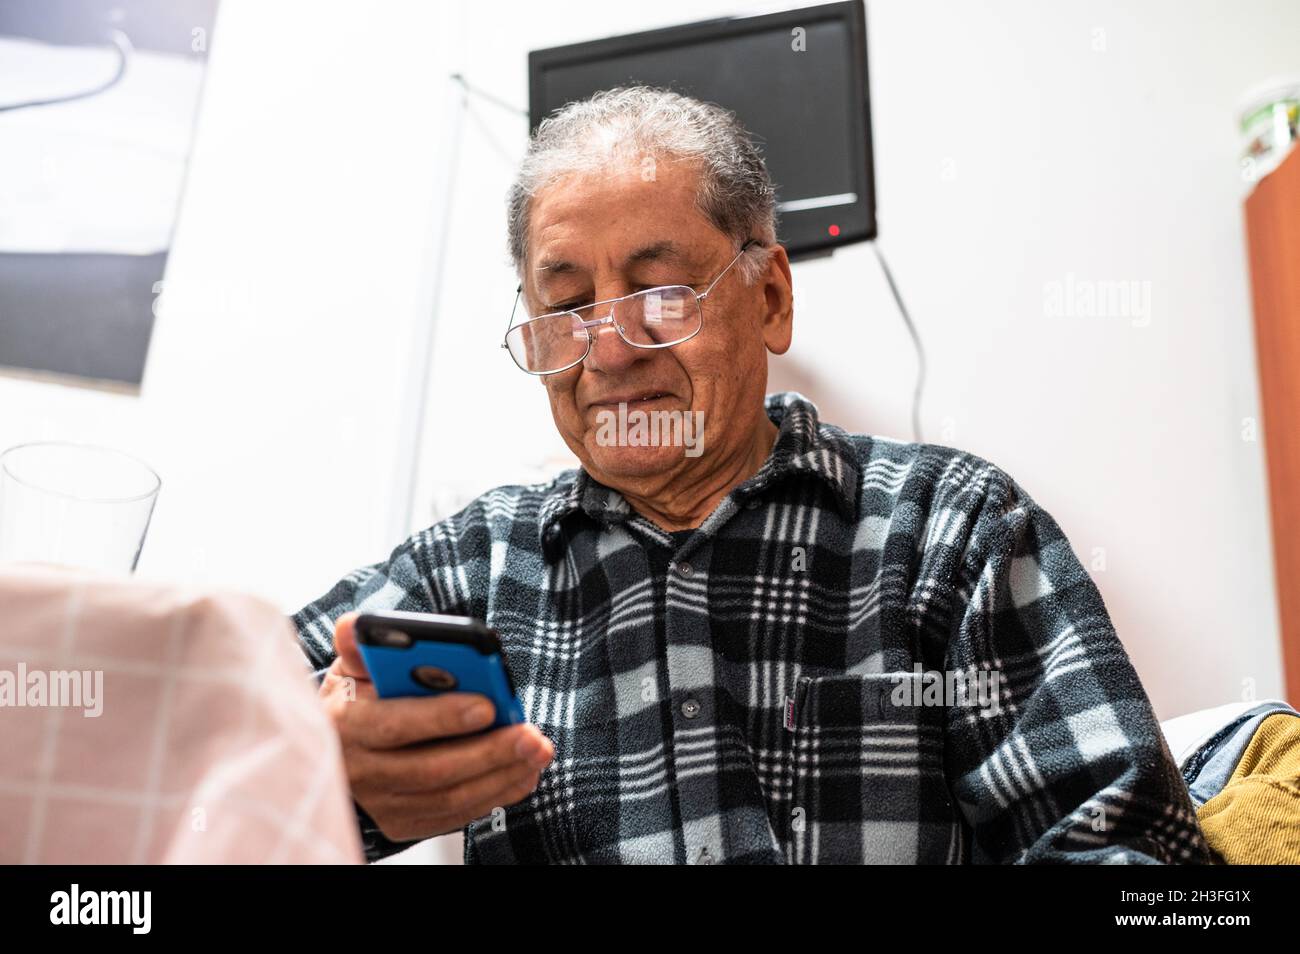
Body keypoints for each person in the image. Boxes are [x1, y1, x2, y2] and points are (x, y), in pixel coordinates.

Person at [292, 86, 1209, 864]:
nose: (607, 351)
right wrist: (317, 761)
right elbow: (210, 736)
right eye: (566, 307)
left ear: (770, 296)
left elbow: (1132, 859)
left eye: (661, 295)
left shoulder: (951, 531)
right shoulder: (475, 566)